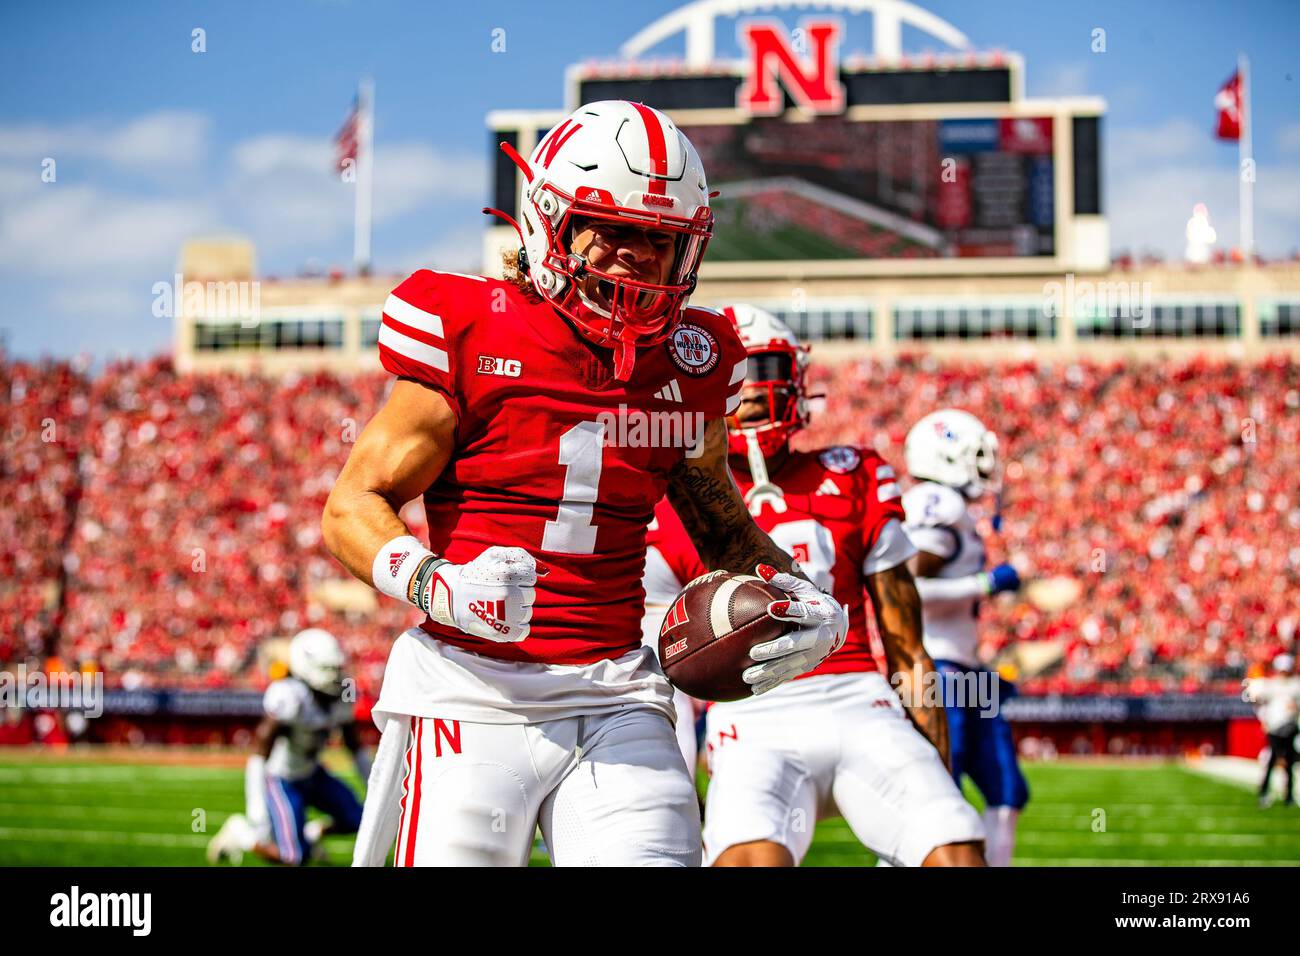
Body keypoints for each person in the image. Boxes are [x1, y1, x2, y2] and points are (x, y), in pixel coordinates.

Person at [323, 101, 849, 867]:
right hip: (472, 691)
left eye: (661, 239)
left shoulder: (695, 362)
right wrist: (437, 584)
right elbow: (351, 507)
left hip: (617, 695)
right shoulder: (473, 325)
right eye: (616, 229)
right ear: (551, 223)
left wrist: (806, 602)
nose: (638, 255)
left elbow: (722, 530)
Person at [643, 305, 985, 867]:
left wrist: (940, 778)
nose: (751, 391)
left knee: (954, 849)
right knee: (749, 861)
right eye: (736, 375)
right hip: (749, 718)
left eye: (767, 369)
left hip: (860, 700)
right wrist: (680, 800)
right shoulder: (666, 502)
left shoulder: (852, 474)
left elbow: (909, 649)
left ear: (797, 379)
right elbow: (665, 684)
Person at [902, 409, 1029, 866]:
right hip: (937, 670)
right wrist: (987, 584)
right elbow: (905, 590)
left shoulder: (953, 508)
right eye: (974, 456)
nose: (984, 467)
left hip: (966, 670)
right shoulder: (938, 503)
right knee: (939, 795)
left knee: (1007, 789)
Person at [207, 628, 369, 865]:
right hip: (282, 778)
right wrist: (257, 809)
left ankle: (311, 834)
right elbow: (259, 754)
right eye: (328, 669)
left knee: (362, 819)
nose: (335, 675)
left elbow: (354, 745)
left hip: (313, 772)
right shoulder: (289, 696)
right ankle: (240, 832)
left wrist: (374, 787)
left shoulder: (341, 695)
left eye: (336, 668)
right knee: (293, 858)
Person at [1243, 653, 1300, 807]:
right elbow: (1254, 697)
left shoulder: (1296, 685)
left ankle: (1288, 795)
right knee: (1272, 760)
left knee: (1289, 762)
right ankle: (1264, 792)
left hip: (1290, 726)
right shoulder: (1271, 685)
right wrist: (1264, 718)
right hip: (1275, 726)